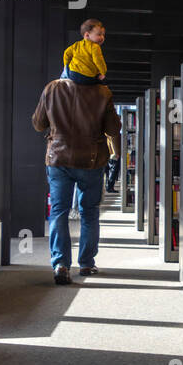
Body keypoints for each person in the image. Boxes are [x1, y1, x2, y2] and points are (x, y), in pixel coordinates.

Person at [32, 73, 120, 284]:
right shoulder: (103, 92)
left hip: (58, 158)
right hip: (91, 160)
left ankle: (61, 265)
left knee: (58, 211)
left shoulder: (52, 88)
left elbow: (38, 124)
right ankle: (87, 263)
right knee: (89, 212)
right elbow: (113, 129)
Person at [61, 18, 109, 86]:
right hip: (86, 77)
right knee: (102, 83)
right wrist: (103, 72)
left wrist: (66, 65)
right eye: (99, 34)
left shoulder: (76, 45)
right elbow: (98, 61)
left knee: (67, 69)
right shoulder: (95, 47)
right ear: (87, 35)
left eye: (103, 35)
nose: (102, 37)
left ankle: (63, 78)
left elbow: (66, 53)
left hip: (73, 74)